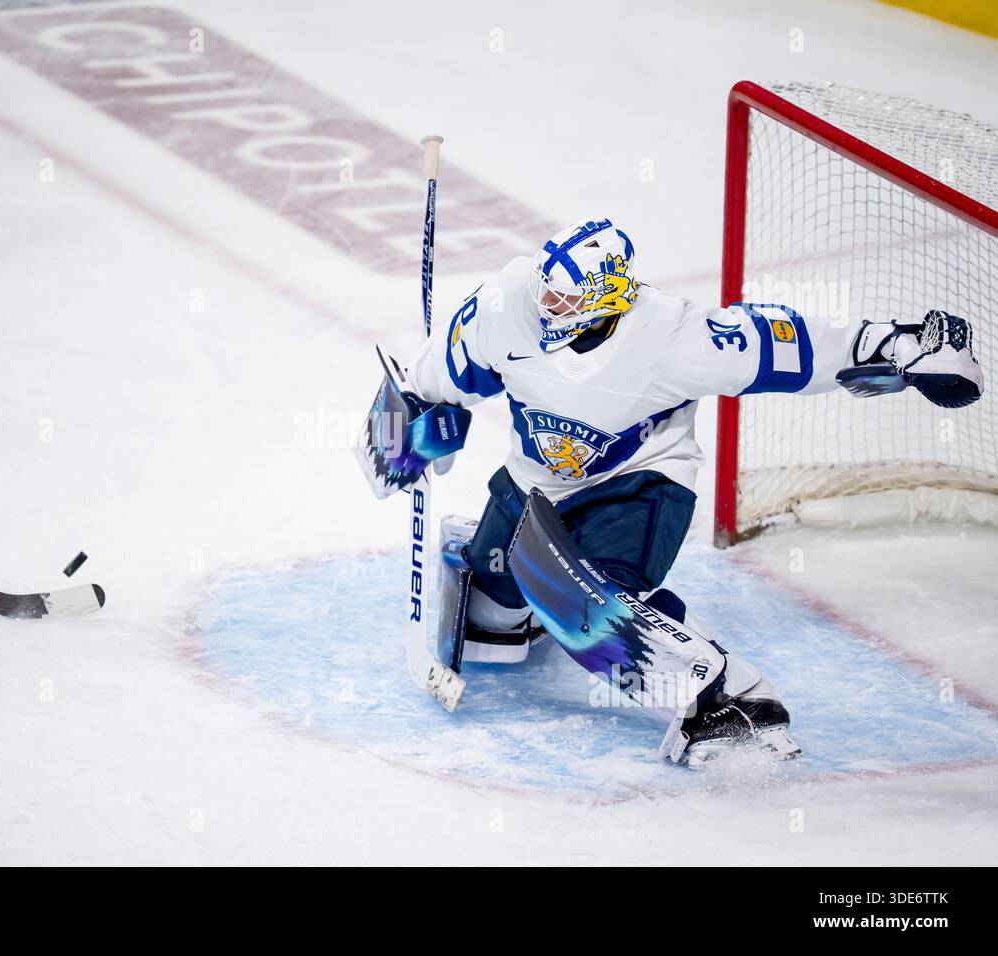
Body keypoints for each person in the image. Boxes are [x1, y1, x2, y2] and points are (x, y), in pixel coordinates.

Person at [359, 217, 983, 764]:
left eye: (565, 298)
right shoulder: (505, 306)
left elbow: (786, 345)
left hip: (638, 483)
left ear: (608, 299)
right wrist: (415, 421)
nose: (547, 305)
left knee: (593, 609)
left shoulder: (673, 337)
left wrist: (898, 348)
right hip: (536, 479)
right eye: (546, 288)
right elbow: (434, 376)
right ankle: (527, 595)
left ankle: (727, 693)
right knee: (489, 630)